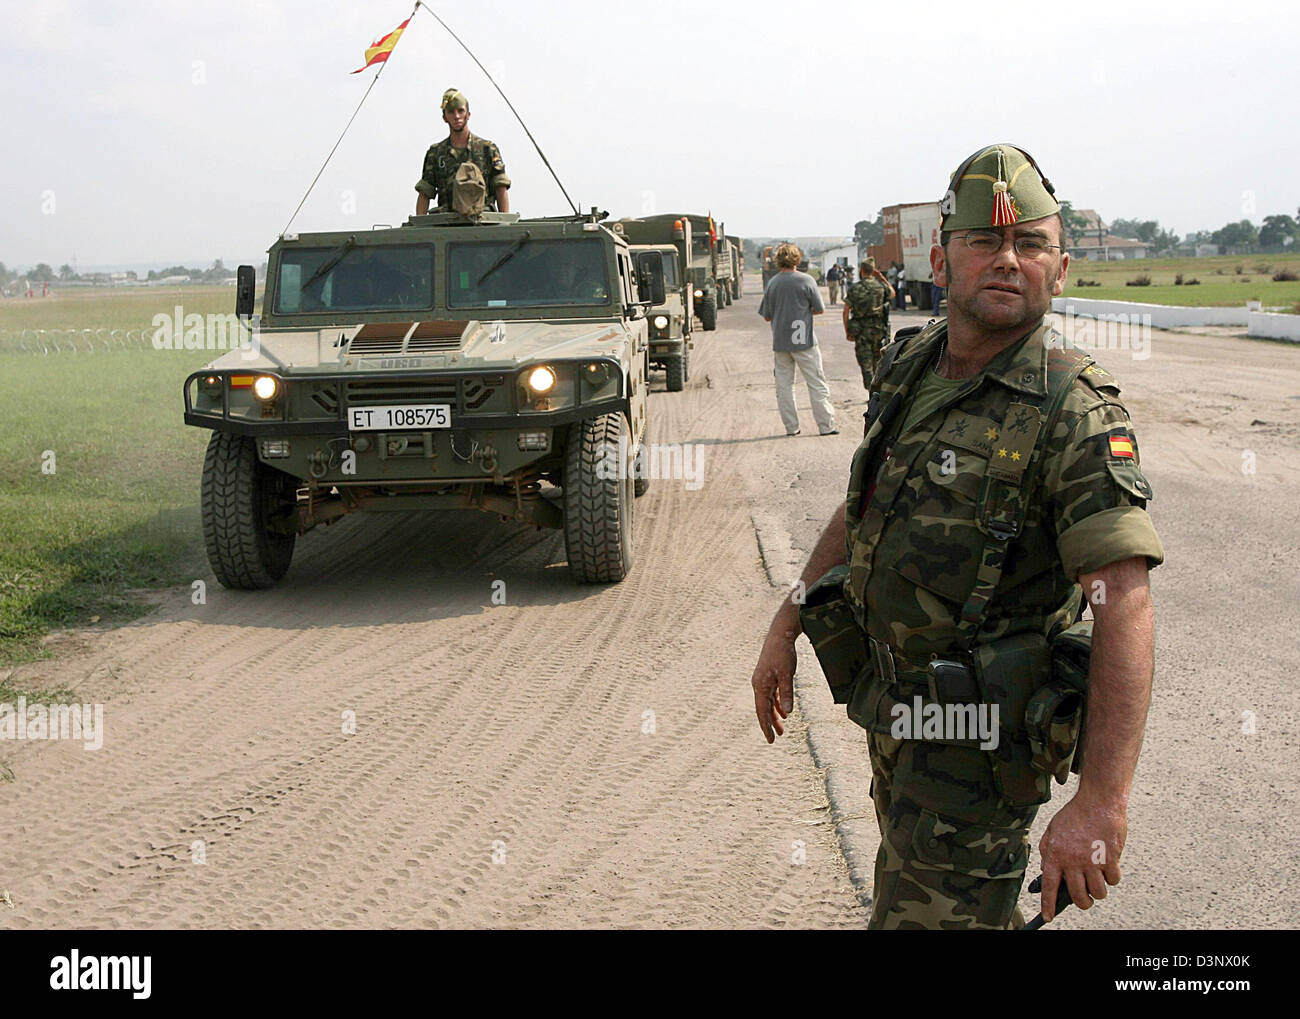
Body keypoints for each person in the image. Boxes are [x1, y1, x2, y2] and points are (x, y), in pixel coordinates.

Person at [748, 143, 1163, 929]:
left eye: (1030, 244)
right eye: (985, 242)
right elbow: (861, 505)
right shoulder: (912, 365)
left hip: (979, 761)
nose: (1008, 260)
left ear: (1061, 267)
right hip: (898, 726)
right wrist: (789, 616)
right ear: (944, 261)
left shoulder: (1074, 411)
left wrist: (1102, 800)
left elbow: (1125, 603)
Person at [758, 243, 837, 436]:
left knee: (784, 385)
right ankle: (826, 426)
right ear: (797, 259)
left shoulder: (773, 283)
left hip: (781, 340)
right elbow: (819, 309)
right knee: (816, 382)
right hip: (804, 340)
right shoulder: (806, 281)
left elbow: (767, 315)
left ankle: (791, 427)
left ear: (778, 260)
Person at [415, 88, 511, 215]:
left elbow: (500, 187)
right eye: (451, 112)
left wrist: (504, 225)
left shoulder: (487, 149)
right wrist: (420, 229)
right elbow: (425, 192)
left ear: (468, 114)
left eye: (461, 111)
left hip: (483, 221)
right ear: (445, 117)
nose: (457, 116)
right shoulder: (436, 153)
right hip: (446, 223)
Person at [842, 256, 894, 389]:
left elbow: (846, 312)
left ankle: (871, 390)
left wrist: (848, 331)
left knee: (865, 363)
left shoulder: (855, 288)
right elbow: (892, 293)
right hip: (878, 330)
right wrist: (882, 278)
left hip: (861, 331)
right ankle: (878, 390)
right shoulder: (880, 286)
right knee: (879, 361)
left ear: (861, 270)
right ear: (873, 270)